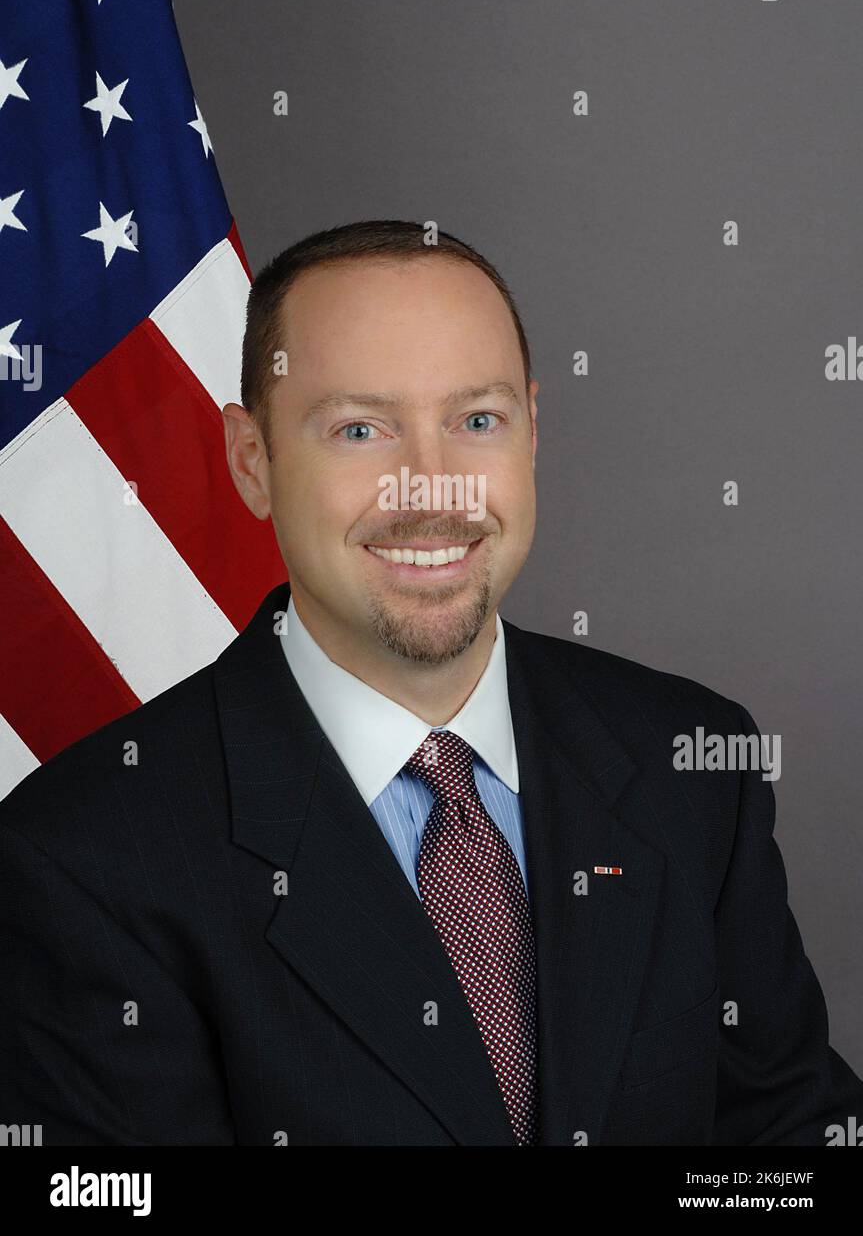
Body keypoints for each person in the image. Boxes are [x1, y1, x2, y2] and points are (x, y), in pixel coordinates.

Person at [1, 220, 860, 1145]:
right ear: (252, 460)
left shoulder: (690, 766)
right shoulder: (83, 855)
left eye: (476, 421)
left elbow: (789, 1148)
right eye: (361, 429)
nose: (432, 488)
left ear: (532, 431)